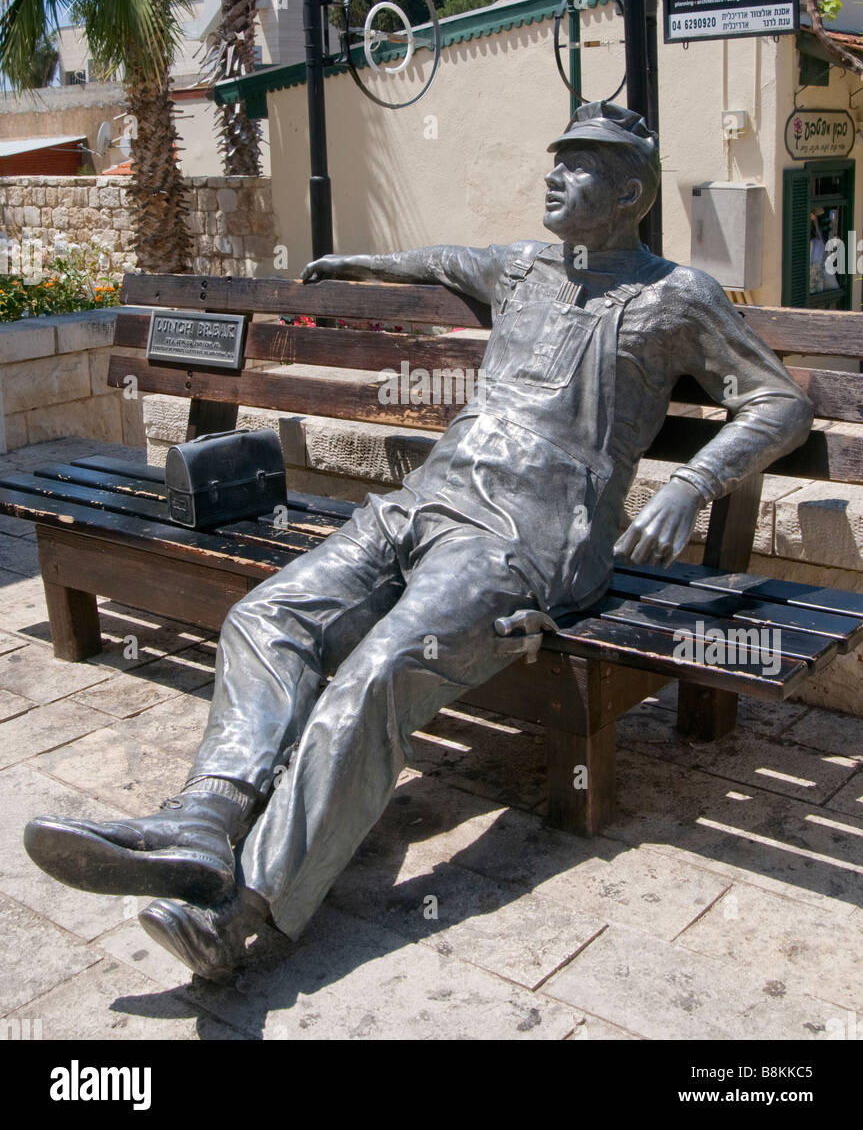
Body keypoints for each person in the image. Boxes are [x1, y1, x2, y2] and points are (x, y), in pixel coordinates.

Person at [23, 102, 813, 981]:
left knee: (379, 671)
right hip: (421, 503)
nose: (553, 176)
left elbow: (778, 402)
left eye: (580, 166)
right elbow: (436, 258)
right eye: (553, 160)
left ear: (630, 193)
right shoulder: (518, 268)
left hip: (529, 540)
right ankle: (205, 817)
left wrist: (694, 486)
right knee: (267, 616)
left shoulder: (677, 297)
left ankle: (245, 910)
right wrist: (356, 261)